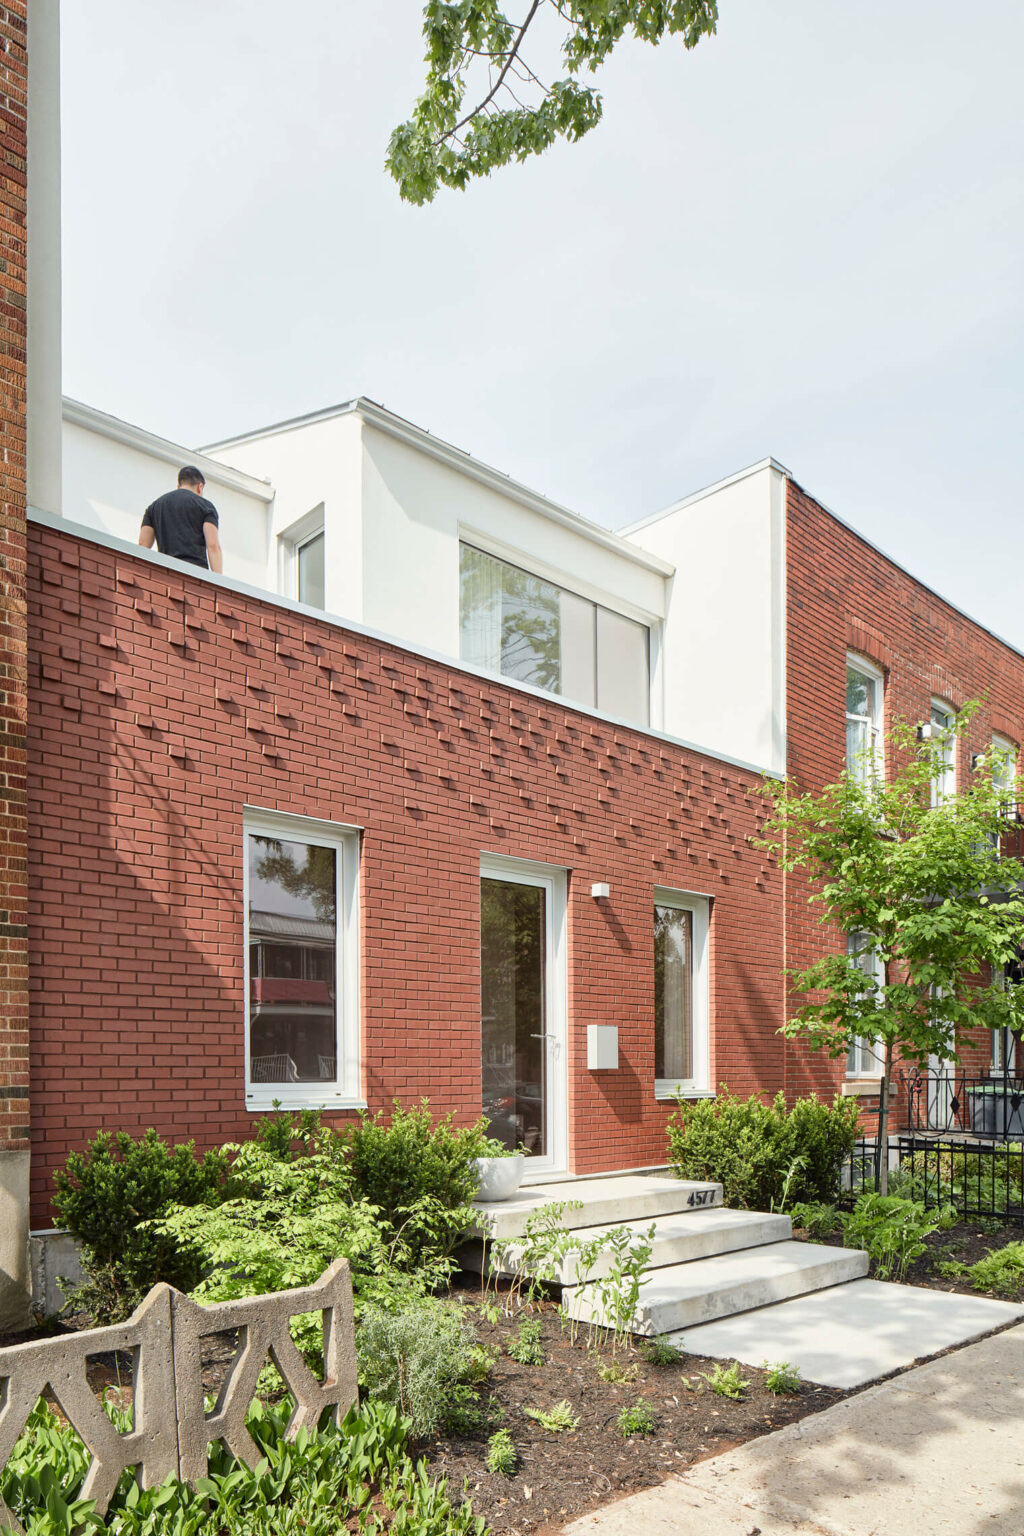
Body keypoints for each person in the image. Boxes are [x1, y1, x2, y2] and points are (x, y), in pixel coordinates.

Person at [139, 466, 223, 573]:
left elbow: (143, 545)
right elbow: (213, 546)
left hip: (165, 572)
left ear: (179, 486)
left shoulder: (154, 507)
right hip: (196, 573)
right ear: (200, 487)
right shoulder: (206, 507)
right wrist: (218, 582)